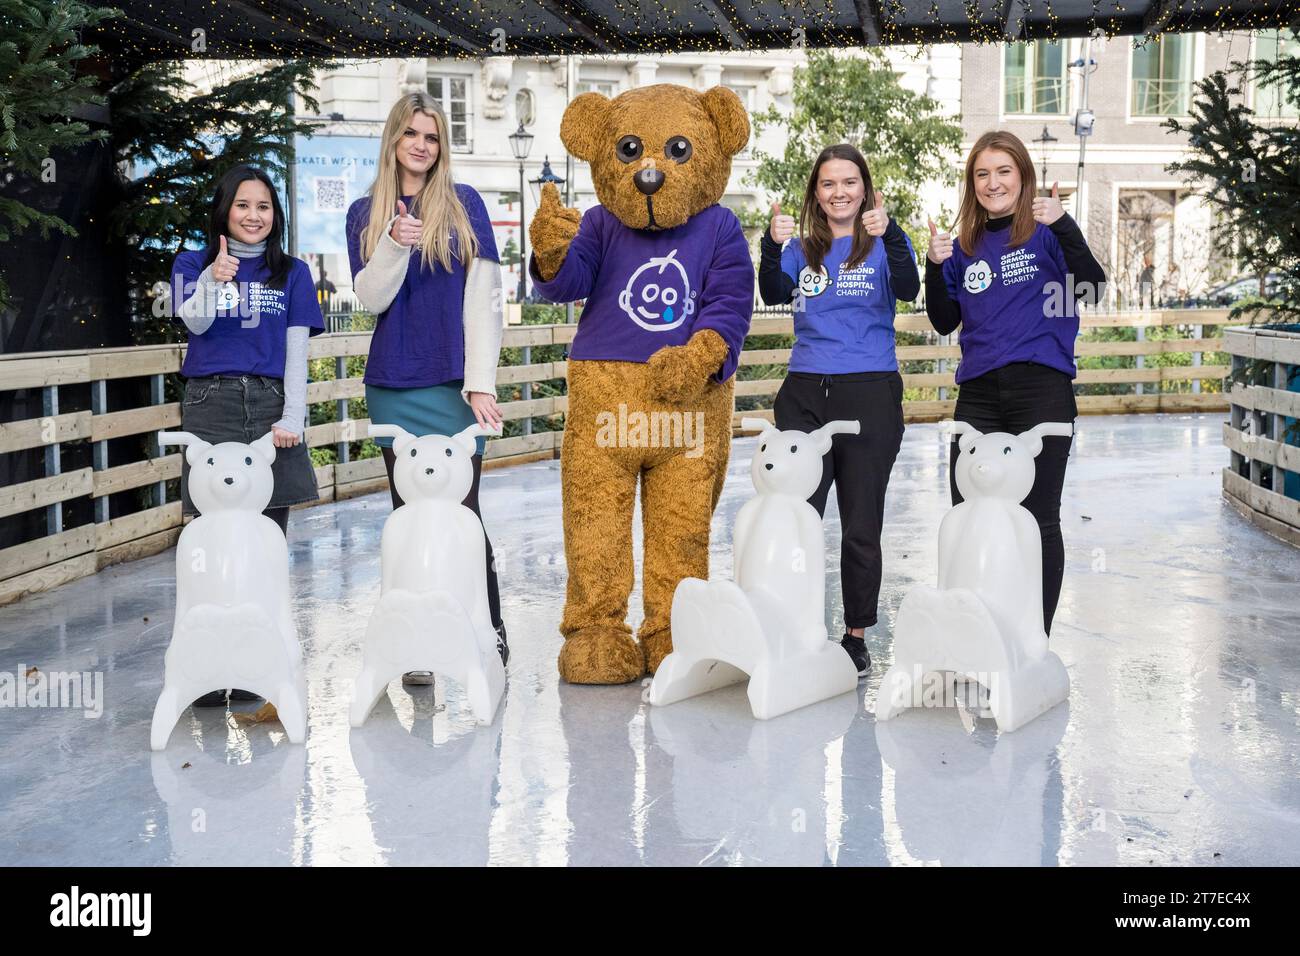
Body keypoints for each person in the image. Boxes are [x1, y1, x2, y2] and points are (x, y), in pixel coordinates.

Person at [345, 91, 509, 679]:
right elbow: (371, 298)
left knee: (465, 518)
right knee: (407, 521)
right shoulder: (365, 214)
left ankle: (487, 633)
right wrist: (393, 242)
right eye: (412, 133)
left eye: (433, 137)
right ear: (393, 139)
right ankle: (412, 647)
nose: (421, 145)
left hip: (455, 389)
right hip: (393, 384)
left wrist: (481, 381)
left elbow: (487, 296)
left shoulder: (464, 203)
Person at [924, 130, 1106, 636]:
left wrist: (1064, 223)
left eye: (1003, 171)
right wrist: (933, 265)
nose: (992, 182)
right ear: (972, 183)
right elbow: (942, 321)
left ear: (1023, 177)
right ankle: (972, 633)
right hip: (979, 394)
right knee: (968, 514)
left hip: (1041, 390)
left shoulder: (1047, 233)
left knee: (1039, 518)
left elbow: (1091, 287)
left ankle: (1033, 640)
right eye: (982, 173)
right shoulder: (964, 246)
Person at [757, 143, 920, 677]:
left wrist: (892, 232)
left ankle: (855, 633)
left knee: (860, 521)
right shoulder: (801, 247)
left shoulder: (884, 244)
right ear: (816, 194)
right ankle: (790, 621)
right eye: (828, 184)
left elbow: (913, 287)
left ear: (865, 189)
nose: (839, 192)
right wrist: (768, 243)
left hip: (869, 389)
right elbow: (774, 291)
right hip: (805, 390)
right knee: (794, 514)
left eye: (849, 182)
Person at [170, 163, 325, 706]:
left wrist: (294, 416)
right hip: (209, 403)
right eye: (243, 205)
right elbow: (193, 324)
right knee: (211, 540)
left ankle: (261, 658)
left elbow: (299, 350)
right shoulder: (193, 262)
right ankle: (209, 668)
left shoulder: (294, 272)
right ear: (224, 211)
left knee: (266, 542)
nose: (253, 216)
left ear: (274, 215)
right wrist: (216, 278)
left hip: (268, 406)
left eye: (264, 207)